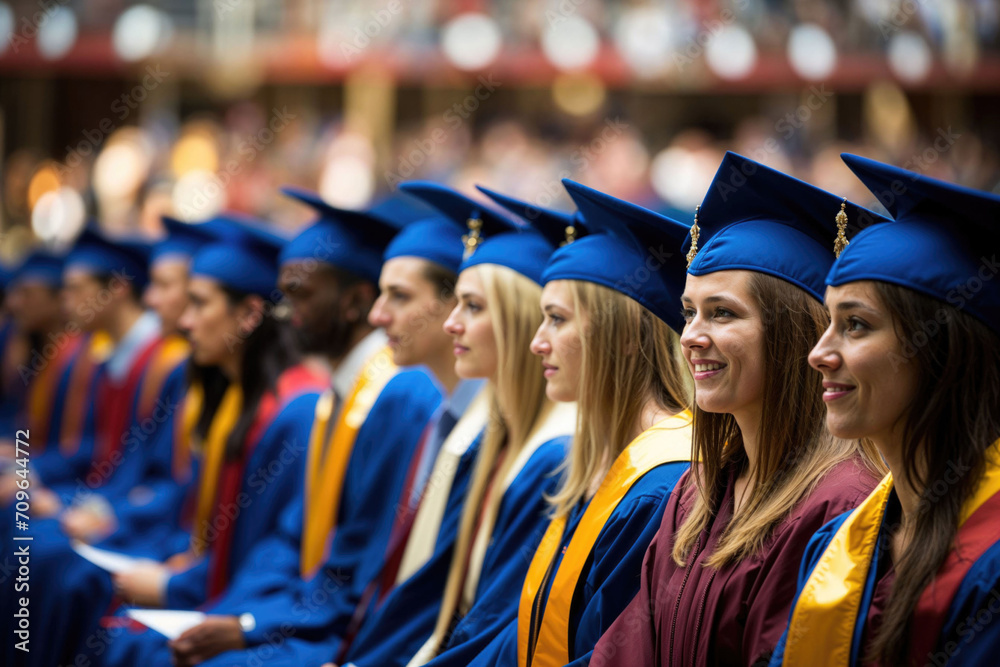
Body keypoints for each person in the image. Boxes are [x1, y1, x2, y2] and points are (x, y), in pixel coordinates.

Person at [590, 152, 887, 667]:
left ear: (798, 335)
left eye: (722, 313)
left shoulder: (841, 507)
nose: (690, 337)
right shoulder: (696, 491)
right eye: (689, 313)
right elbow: (626, 649)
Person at [149, 193, 471, 667]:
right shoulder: (333, 399)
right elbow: (290, 538)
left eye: (301, 294)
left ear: (351, 302)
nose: (284, 311)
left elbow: (359, 565)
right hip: (305, 617)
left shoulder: (396, 400)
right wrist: (242, 617)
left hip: (339, 637)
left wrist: (251, 625)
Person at [332, 182, 576, 667]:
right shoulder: (480, 432)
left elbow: (494, 622)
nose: (451, 324)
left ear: (520, 319)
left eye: (474, 306)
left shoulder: (554, 454)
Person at [770, 155, 1000, 667]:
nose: (818, 353)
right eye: (827, 322)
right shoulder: (842, 543)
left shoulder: (991, 560)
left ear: (941, 350)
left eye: (855, 325)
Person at [466, 178, 695, 667]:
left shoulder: (662, 486)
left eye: (557, 319)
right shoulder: (593, 465)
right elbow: (521, 635)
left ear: (627, 334)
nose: (536, 343)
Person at [106, 218, 326, 616]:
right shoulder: (234, 397)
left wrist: (177, 587)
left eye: (200, 304)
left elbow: (257, 550)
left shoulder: (294, 409)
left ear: (249, 315)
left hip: (238, 607)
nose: (186, 321)